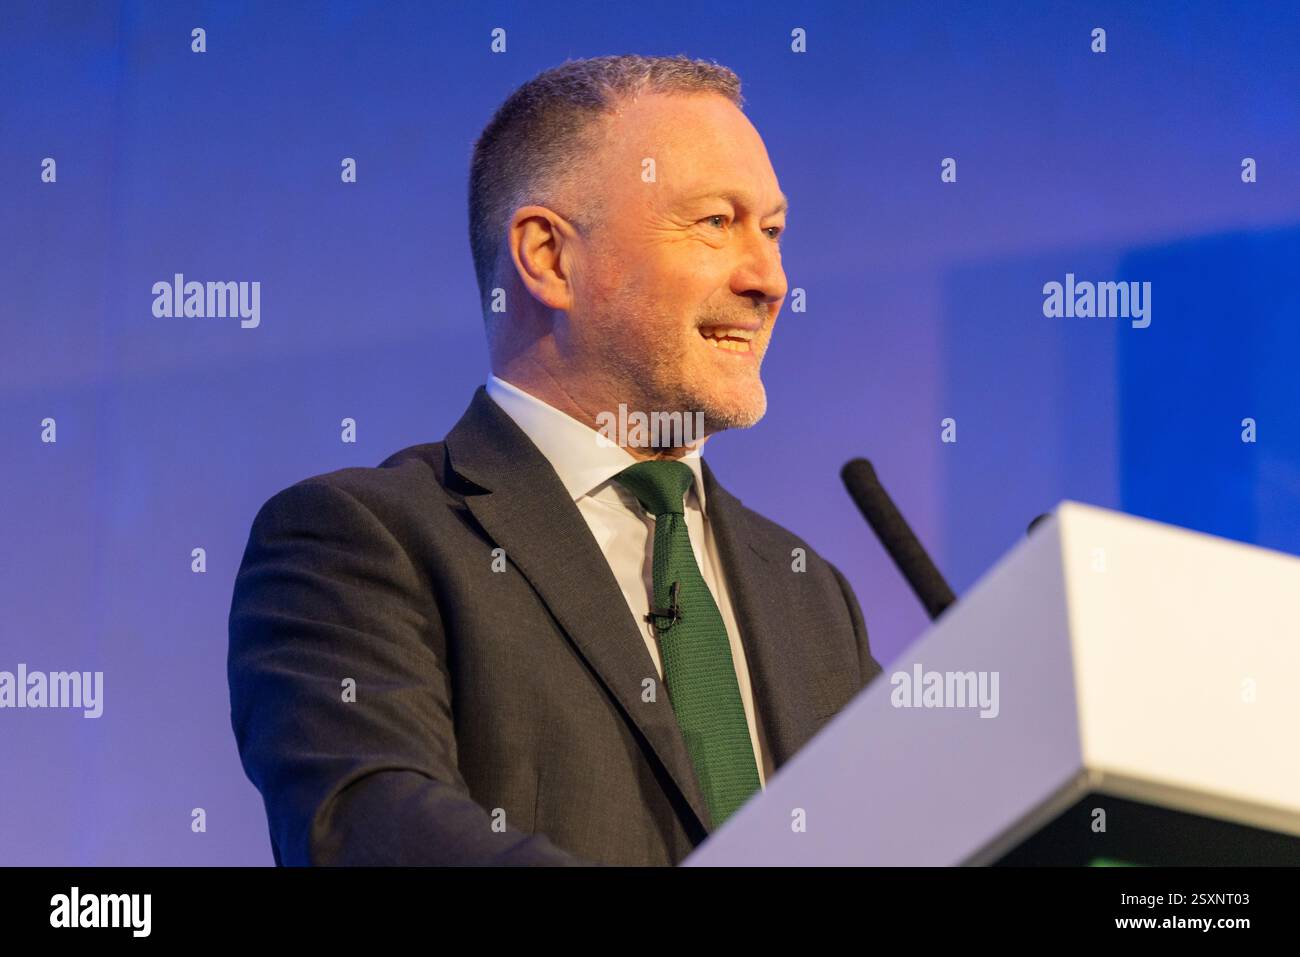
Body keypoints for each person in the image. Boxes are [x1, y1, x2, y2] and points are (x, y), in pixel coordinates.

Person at [228, 54, 882, 866]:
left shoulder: (810, 594)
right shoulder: (360, 543)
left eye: (773, 230)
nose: (769, 279)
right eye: (717, 222)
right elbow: (371, 825)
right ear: (548, 257)